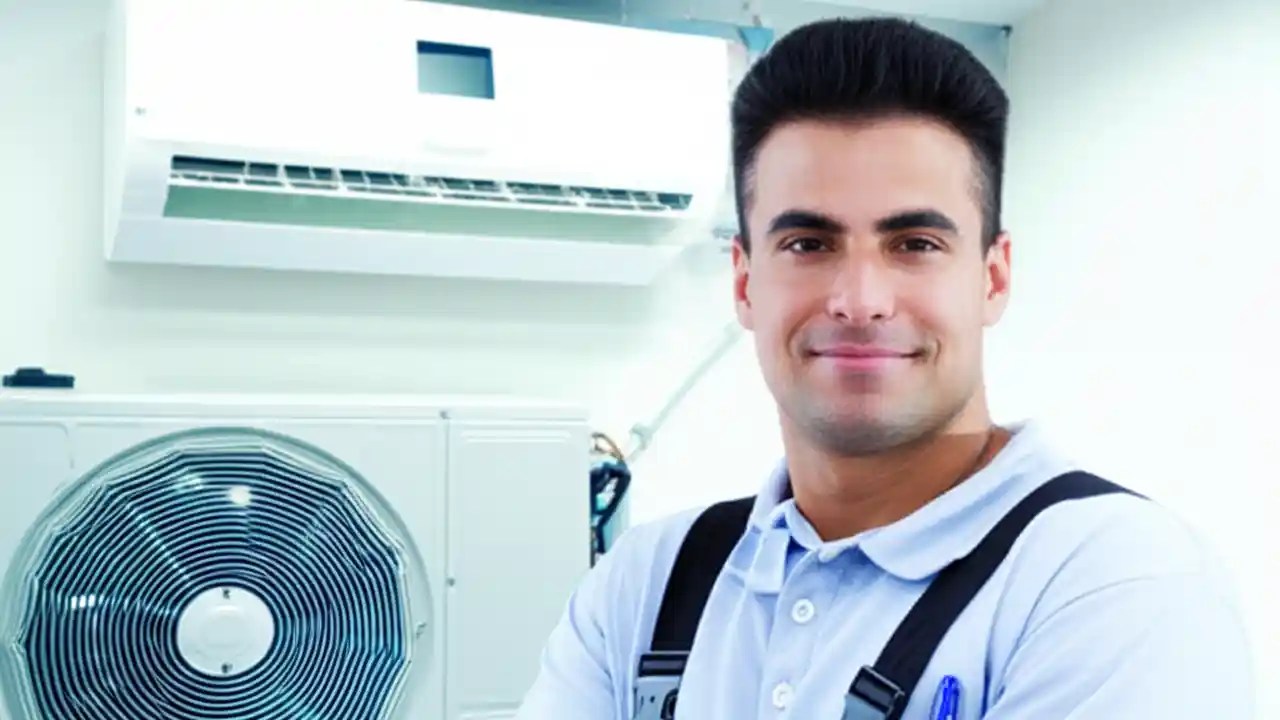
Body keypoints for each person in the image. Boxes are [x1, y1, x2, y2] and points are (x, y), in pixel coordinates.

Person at [514, 16, 1255, 720]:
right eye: (808, 244)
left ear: (993, 277)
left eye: (915, 245)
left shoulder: (1113, 583)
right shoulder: (646, 584)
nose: (860, 301)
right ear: (744, 283)